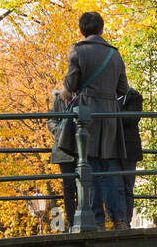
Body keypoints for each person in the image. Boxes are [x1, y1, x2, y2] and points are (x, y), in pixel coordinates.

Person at [62, 11, 129, 228]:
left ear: (82, 30)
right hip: (110, 115)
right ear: (101, 29)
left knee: (89, 164)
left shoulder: (79, 50)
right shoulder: (115, 54)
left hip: (86, 114)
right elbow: (123, 89)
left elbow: (71, 84)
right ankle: (119, 218)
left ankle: (97, 220)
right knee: (109, 165)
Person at [46, 86, 77, 229]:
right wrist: (59, 131)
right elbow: (51, 120)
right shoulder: (59, 100)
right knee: (68, 186)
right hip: (63, 148)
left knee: (81, 185)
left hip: (78, 147)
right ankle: (71, 221)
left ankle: (80, 218)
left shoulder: (80, 98)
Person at [119, 86, 144, 224]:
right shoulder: (110, 97)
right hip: (113, 147)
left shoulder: (134, 96)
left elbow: (132, 119)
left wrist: (113, 116)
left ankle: (125, 221)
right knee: (116, 186)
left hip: (129, 147)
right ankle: (118, 219)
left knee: (127, 186)